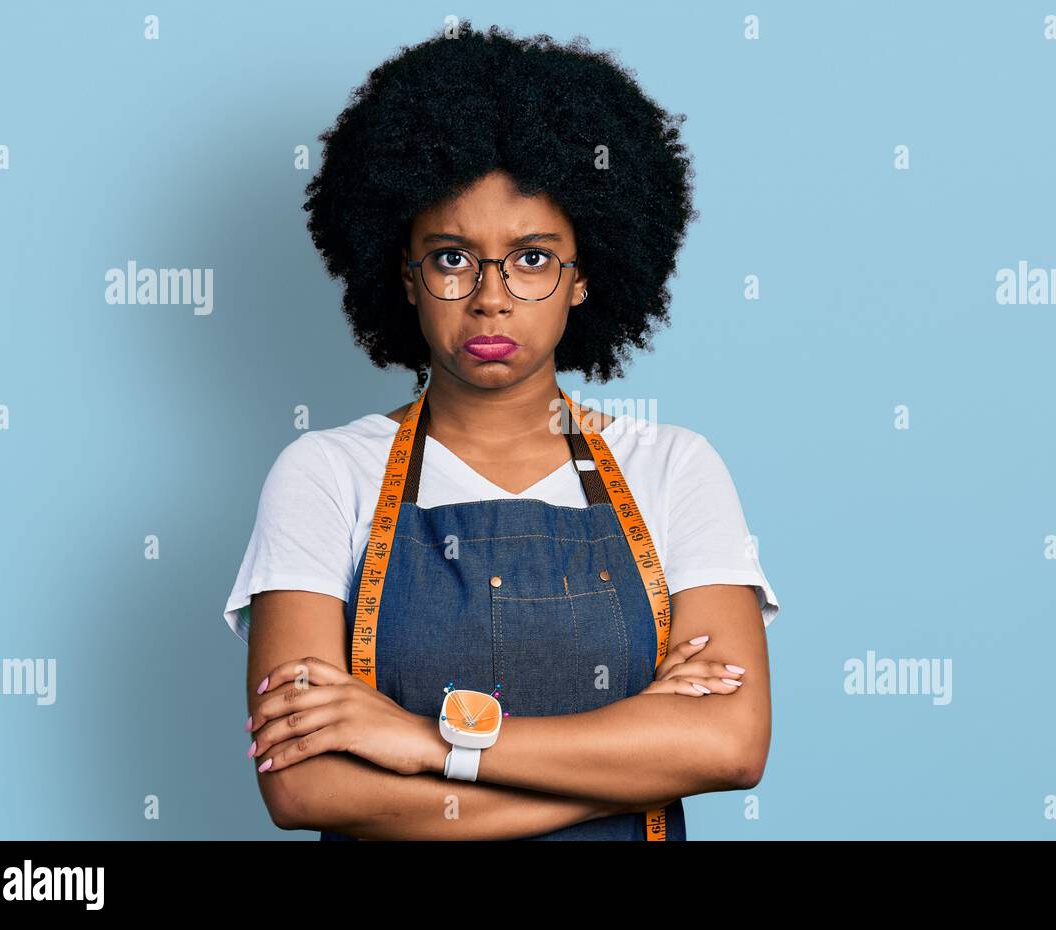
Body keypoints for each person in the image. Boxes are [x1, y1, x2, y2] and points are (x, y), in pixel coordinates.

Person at [223, 20, 780, 840]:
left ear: (585, 279)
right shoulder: (323, 474)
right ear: (403, 276)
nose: (490, 297)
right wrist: (636, 766)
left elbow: (730, 747)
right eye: (452, 256)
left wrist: (423, 742)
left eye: (531, 258)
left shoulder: (674, 468)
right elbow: (305, 788)